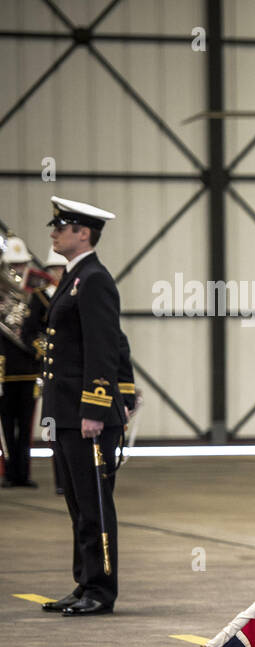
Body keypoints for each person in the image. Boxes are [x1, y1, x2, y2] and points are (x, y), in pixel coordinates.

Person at [39, 197, 131, 616]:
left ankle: (101, 589)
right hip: (68, 413)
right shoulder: (74, 277)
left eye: (62, 226)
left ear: (84, 233)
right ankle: (84, 581)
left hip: (86, 416)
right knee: (77, 503)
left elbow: (105, 345)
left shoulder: (93, 279)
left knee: (94, 503)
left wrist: (98, 407)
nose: (54, 232)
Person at [1, 237, 46, 488]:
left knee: (26, 426)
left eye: (21, 264)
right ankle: (9, 473)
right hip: (4, 370)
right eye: (13, 265)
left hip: (29, 369)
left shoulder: (36, 294)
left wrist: (39, 351)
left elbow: (41, 328)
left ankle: (24, 473)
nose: (17, 269)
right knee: (6, 424)